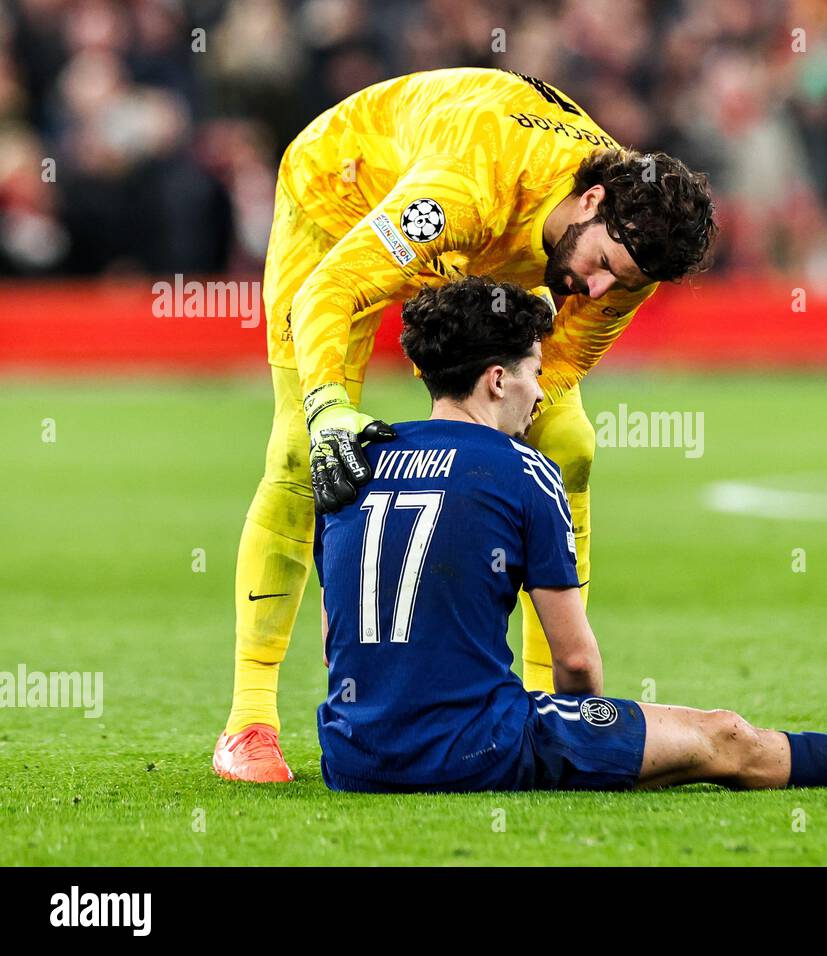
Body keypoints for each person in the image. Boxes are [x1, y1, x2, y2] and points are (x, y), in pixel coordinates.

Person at [313, 277, 827, 794]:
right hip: (473, 750)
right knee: (723, 736)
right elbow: (575, 664)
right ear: (497, 380)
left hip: (352, 755)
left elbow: (335, 643)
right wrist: (587, 729)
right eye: (536, 372)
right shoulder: (520, 471)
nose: (544, 392)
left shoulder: (353, 460)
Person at [214, 68, 717, 782]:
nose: (600, 290)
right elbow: (334, 286)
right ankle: (249, 721)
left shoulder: (628, 254)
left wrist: (503, 441)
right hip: (342, 193)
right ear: (592, 199)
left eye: (624, 283)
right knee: (302, 454)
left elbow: (557, 363)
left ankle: (549, 704)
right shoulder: (467, 184)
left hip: (488, 254)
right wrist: (329, 409)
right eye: (602, 266)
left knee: (568, 444)